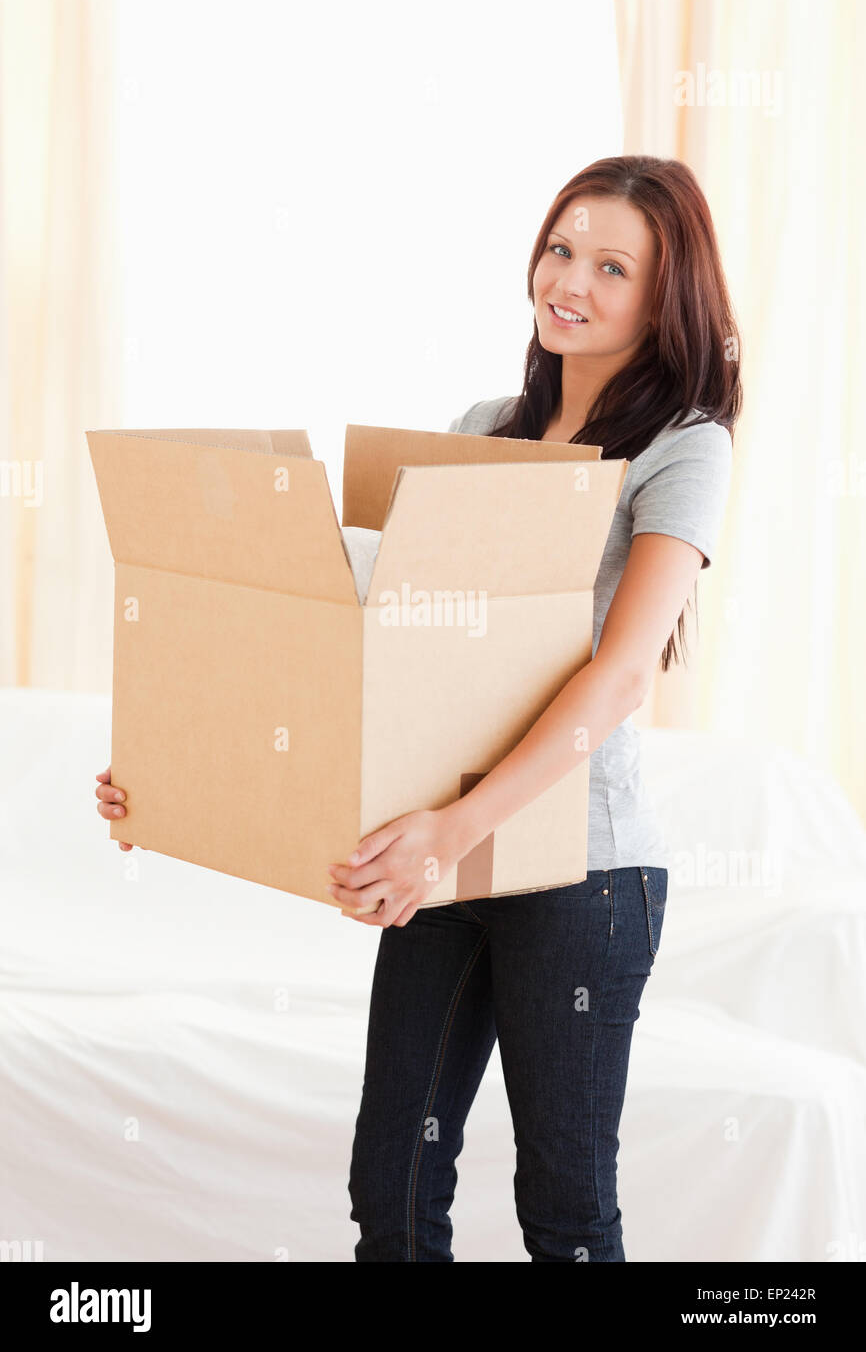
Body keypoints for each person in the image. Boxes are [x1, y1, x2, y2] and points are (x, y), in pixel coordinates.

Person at [95, 152, 739, 1262]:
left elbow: (622, 675)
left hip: (580, 877)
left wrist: (451, 828)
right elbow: (371, 656)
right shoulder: (482, 424)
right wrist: (182, 776)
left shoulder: (680, 446)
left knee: (566, 1212)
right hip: (450, 858)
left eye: (608, 264)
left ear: (663, 295)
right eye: (558, 246)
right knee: (389, 1181)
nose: (566, 279)